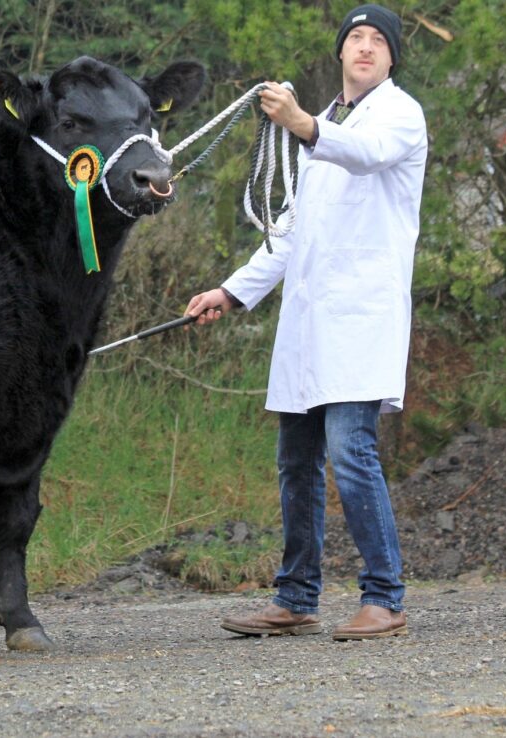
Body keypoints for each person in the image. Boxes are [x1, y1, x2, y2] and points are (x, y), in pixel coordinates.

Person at [184, 3, 427, 640]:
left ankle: (385, 596)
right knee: (296, 462)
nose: (366, 47)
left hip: (361, 320)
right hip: (310, 328)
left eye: (379, 40)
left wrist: (301, 123)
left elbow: (367, 155)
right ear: (341, 52)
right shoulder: (325, 125)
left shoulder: (398, 115)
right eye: (356, 38)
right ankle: (296, 597)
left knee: (352, 455)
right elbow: (290, 235)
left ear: (392, 57)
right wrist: (230, 293)